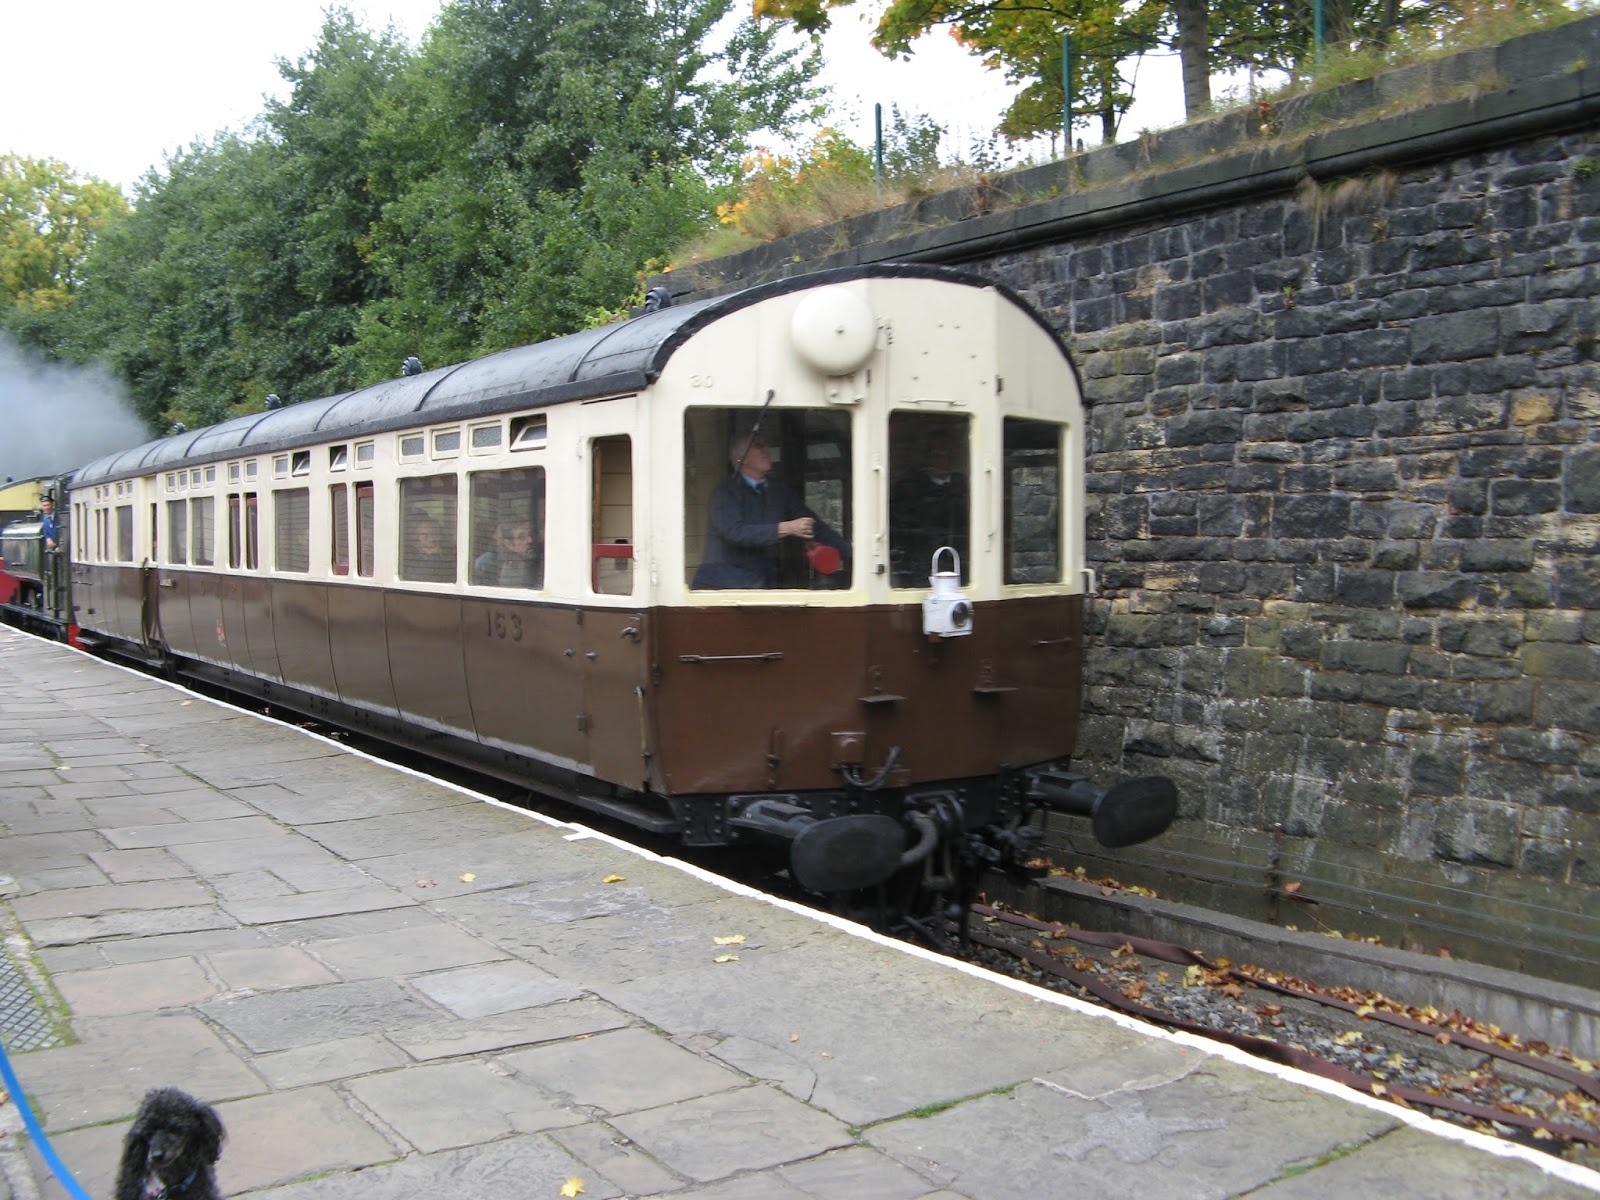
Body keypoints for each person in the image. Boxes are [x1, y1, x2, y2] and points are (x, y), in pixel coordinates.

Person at [693, 428, 847, 589]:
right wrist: (785, 528)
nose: (766, 451)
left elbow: (814, 527)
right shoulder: (725, 492)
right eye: (758, 446)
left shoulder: (779, 491)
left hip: (762, 585)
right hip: (723, 590)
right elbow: (735, 532)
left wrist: (851, 552)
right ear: (741, 458)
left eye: (766, 445)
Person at [891, 433, 969, 585]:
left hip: (959, 555)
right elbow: (902, 521)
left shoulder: (962, 484)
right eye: (936, 455)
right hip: (922, 556)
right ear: (927, 458)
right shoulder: (911, 486)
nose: (940, 460)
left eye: (945, 455)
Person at [473, 520, 539, 587]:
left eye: (530, 535)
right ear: (508, 544)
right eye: (522, 537)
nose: (530, 540)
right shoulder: (486, 564)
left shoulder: (536, 562)